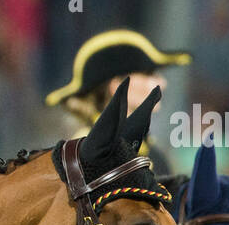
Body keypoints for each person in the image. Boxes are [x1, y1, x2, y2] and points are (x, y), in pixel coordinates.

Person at [44, 28, 190, 172]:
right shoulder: (89, 156)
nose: (163, 83)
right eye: (149, 74)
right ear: (119, 86)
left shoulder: (150, 152)